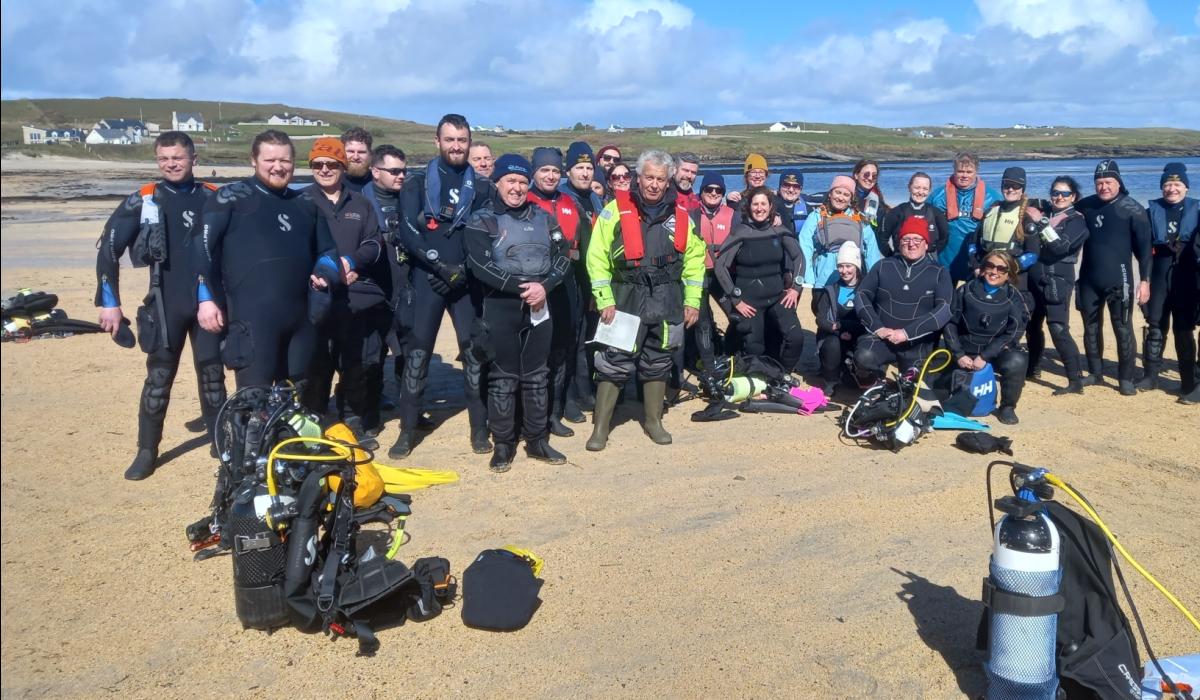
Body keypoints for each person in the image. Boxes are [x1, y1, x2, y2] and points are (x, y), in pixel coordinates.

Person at [95, 130, 227, 480]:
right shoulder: (145, 200)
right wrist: (110, 302)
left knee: (213, 376)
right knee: (158, 380)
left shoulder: (216, 197)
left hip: (208, 302)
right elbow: (108, 250)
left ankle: (220, 442)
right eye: (164, 158)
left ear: (194, 160)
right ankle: (147, 450)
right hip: (165, 304)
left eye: (178, 158)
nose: (171, 164)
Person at [195, 129, 339, 388]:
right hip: (252, 319)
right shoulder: (230, 198)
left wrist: (325, 274)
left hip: (301, 321)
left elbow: (328, 252)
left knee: (296, 395)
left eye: (284, 160)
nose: (278, 167)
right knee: (253, 398)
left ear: (293, 163)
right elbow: (202, 249)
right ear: (253, 160)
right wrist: (206, 299)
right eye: (270, 160)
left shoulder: (305, 203)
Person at [585, 149, 705, 451]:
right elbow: (596, 257)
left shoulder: (680, 216)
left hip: (667, 298)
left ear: (669, 182)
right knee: (613, 361)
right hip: (626, 295)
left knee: (659, 360)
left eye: (660, 179)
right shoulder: (614, 211)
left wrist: (692, 300)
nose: (653, 184)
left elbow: (694, 260)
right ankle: (601, 427)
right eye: (648, 177)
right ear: (638, 178)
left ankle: (653, 421)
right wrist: (604, 299)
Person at [391, 113, 496, 458]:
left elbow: (487, 235)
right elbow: (408, 231)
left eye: (462, 140)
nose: (456, 146)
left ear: (469, 142)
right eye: (449, 139)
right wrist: (438, 266)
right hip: (427, 278)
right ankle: (407, 429)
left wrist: (464, 269)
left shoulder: (481, 187)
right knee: (417, 356)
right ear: (437, 142)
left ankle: (479, 428)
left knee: (473, 356)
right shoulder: (416, 184)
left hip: (466, 280)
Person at [464, 154, 570, 471]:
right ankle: (504, 443)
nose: (517, 187)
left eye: (523, 182)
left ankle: (537, 439)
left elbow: (564, 255)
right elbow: (480, 265)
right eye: (511, 180)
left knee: (538, 375)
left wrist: (545, 286)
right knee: (503, 377)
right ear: (498, 182)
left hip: (540, 302)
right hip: (501, 305)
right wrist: (522, 288)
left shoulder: (544, 217)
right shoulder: (482, 219)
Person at [300, 138, 387, 446]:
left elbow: (374, 243)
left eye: (332, 164)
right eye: (318, 164)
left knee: (355, 364)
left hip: (354, 295)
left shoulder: (360, 204)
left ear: (342, 166)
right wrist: (316, 274)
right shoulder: (302, 201)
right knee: (317, 365)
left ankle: (352, 421)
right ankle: (316, 425)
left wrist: (351, 262)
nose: (325, 169)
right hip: (317, 296)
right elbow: (293, 248)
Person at [1074, 159, 1152, 395]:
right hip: (1088, 278)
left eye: (1108, 182)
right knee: (1090, 326)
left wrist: (1145, 282)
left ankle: (1125, 378)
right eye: (1099, 182)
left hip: (1121, 280)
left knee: (1123, 328)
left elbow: (1145, 251)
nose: (1103, 187)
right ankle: (1095, 372)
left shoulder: (1134, 210)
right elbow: (1061, 212)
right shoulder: (1085, 205)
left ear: (1118, 182)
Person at [526, 147, 588, 436]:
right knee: (535, 352)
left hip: (567, 284)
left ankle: (556, 411)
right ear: (534, 173)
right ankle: (530, 414)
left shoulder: (569, 202)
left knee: (563, 348)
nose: (550, 175)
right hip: (533, 287)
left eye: (554, 170)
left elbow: (584, 248)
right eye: (544, 170)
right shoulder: (524, 200)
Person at [713, 186, 806, 373]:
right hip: (750, 303)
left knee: (795, 337)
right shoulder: (741, 232)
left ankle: (783, 375)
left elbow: (799, 257)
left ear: (771, 206)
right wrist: (735, 299)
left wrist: (796, 287)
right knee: (756, 347)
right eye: (755, 204)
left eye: (764, 203)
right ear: (749, 207)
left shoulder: (778, 230)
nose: (759, 208)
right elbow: (720, 266)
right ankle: (758, 376)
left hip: (777, 297)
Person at [853, 217, 953, 384]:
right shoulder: (883, 266)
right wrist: (878, 328)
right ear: (899, 243)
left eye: (917, 239)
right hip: (883, 339)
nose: (911, 244)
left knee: (913, 394)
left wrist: (906, 334)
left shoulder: (939, 272)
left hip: (917, 344)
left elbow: (944, 310)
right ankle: (878, 384)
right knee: (863, 357)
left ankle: (901, 387)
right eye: (906, 239)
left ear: (926, 244)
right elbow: (861, 296)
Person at [944, 250, 1029, 424]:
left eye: (1001, 269)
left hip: (994, 351)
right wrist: (958, 354)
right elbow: (950, 323)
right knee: (933, 358)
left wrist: (985, 356)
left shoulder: (1013, 297)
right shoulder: (966, 290)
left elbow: (1014, 331)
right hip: (965, 348)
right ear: (982, 269)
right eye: (989, 266)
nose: (994, 272)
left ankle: (1007, 406)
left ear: (1009, 274)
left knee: (1017, 360)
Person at [361, 145, 415, 410]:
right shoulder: (361, 203)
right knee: (373, 354)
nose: (401, 176)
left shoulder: (410, 200)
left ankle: (410, 409)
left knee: (409, 354)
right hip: (375, 289)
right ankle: (370, 413)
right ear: (375, 171)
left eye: (404, 170)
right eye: (394, 171)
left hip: (406, 287)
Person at [1026, 176, 1089, 394]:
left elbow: (1060, 247)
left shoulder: (1077, 221)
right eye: (1055, 192)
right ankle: (1032, 368)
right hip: (1036, 275)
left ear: (1074, 197)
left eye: (1064, 193)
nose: (1059, 197)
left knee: (1058, 327)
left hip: (1059, 277)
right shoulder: (1046, 211)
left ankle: (1075, 380)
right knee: (1032, 324)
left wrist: (1041, 223)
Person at [1141, 162, 1198, 400]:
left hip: (1187, 275)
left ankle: (1188, 383)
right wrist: (1143, 280)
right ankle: (1151, 376)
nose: (1172, 189)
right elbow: (1141, 246)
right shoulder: (1151, 211)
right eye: (1167, 184)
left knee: (1183, 329)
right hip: (1159, 272)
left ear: (1186, 187)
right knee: (1155, 326)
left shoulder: (1197, 210)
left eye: (1177, 184)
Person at [558, 141, 606, 415]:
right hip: (570, 276)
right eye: (579, 167)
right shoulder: (564, 197)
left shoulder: (595, 199)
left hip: (591, 277)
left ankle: (584, 389)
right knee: (571, 338)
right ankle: (569, 396)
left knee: (588, 336)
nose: (586, 173)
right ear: (568, 171)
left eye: (589, 167)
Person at [969, 166, 1040, 310]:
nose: (1011, 189)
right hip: (986, 276)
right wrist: (976, 267)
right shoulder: (990, 212)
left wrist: (1009, 270)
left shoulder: (1026, 218)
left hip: (1014, 279)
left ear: (1022, 189)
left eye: (1016, 186)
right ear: (1002, 186)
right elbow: (972, 245)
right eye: (1007, 185)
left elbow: (1033, 254)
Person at [799, 175, 881, 296]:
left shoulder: (860, 219)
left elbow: (871, 250)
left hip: (852, 279)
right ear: (830, 194)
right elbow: (805, 246)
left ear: (851, 199)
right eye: (838, 192)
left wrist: (873, 280)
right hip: (822, 277)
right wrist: (809, 279)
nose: (841, 198)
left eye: (846, 195)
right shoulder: (816, 216)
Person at [689, 171, 737, 370]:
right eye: (709, 189)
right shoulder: (691, 215)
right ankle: (709, 366)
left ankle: (730, 354)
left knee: (736, 316)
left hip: (722, 276)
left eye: (718, 190)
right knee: (703, 324)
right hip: (698, 275)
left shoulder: (734, 215)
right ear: (701, 192)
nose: (714, 193)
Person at [929, 152, 1000, 282]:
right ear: (954, 171)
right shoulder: (937, 196)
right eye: (960, 171)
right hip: (945, 257)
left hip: (977, 258)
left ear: (976, 172)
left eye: (969, 172)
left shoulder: (992, 197)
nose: (964, 175)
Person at [815, 240, 866, 397]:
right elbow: (821, 319)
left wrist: (844, 326)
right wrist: (836, 331)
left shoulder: (867, 289)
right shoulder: (831, 290)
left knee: (853, 385)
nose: (844, 271)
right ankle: (831, 380)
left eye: (848, 266)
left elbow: (870, 321)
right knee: (832, 343)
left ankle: (853, 373)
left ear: (857, 266)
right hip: (834, 337)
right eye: (840, 266)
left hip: (857, 338)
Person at [880, 172, 948, 255]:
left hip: (928, 259)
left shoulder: (936, 213)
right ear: (909, 187)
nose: (920, 192)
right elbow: (882, 239)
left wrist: (934, 253)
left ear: (929, 190)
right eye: (917, 187)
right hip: (901, 259)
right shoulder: (897, 212)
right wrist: (891, 257)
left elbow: (945, 237)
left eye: (925, 189)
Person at [774, 169, 820, 235]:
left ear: (801, 189)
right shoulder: (768, 206)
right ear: (779, 186)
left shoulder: (809, 210)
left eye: (796, 186)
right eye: (786, 185)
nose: (791, 190)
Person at [851, 159, 888, 235]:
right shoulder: (846, 197)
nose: (870, 178)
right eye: (866, 174)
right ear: (856, 175)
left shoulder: (878, 201)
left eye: (874, 176)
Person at [340, 127, 373, 192]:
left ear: (370, 154)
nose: (355, 157)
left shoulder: (379, 184)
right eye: (351, 151)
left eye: (361, 152)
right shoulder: (333, 183)